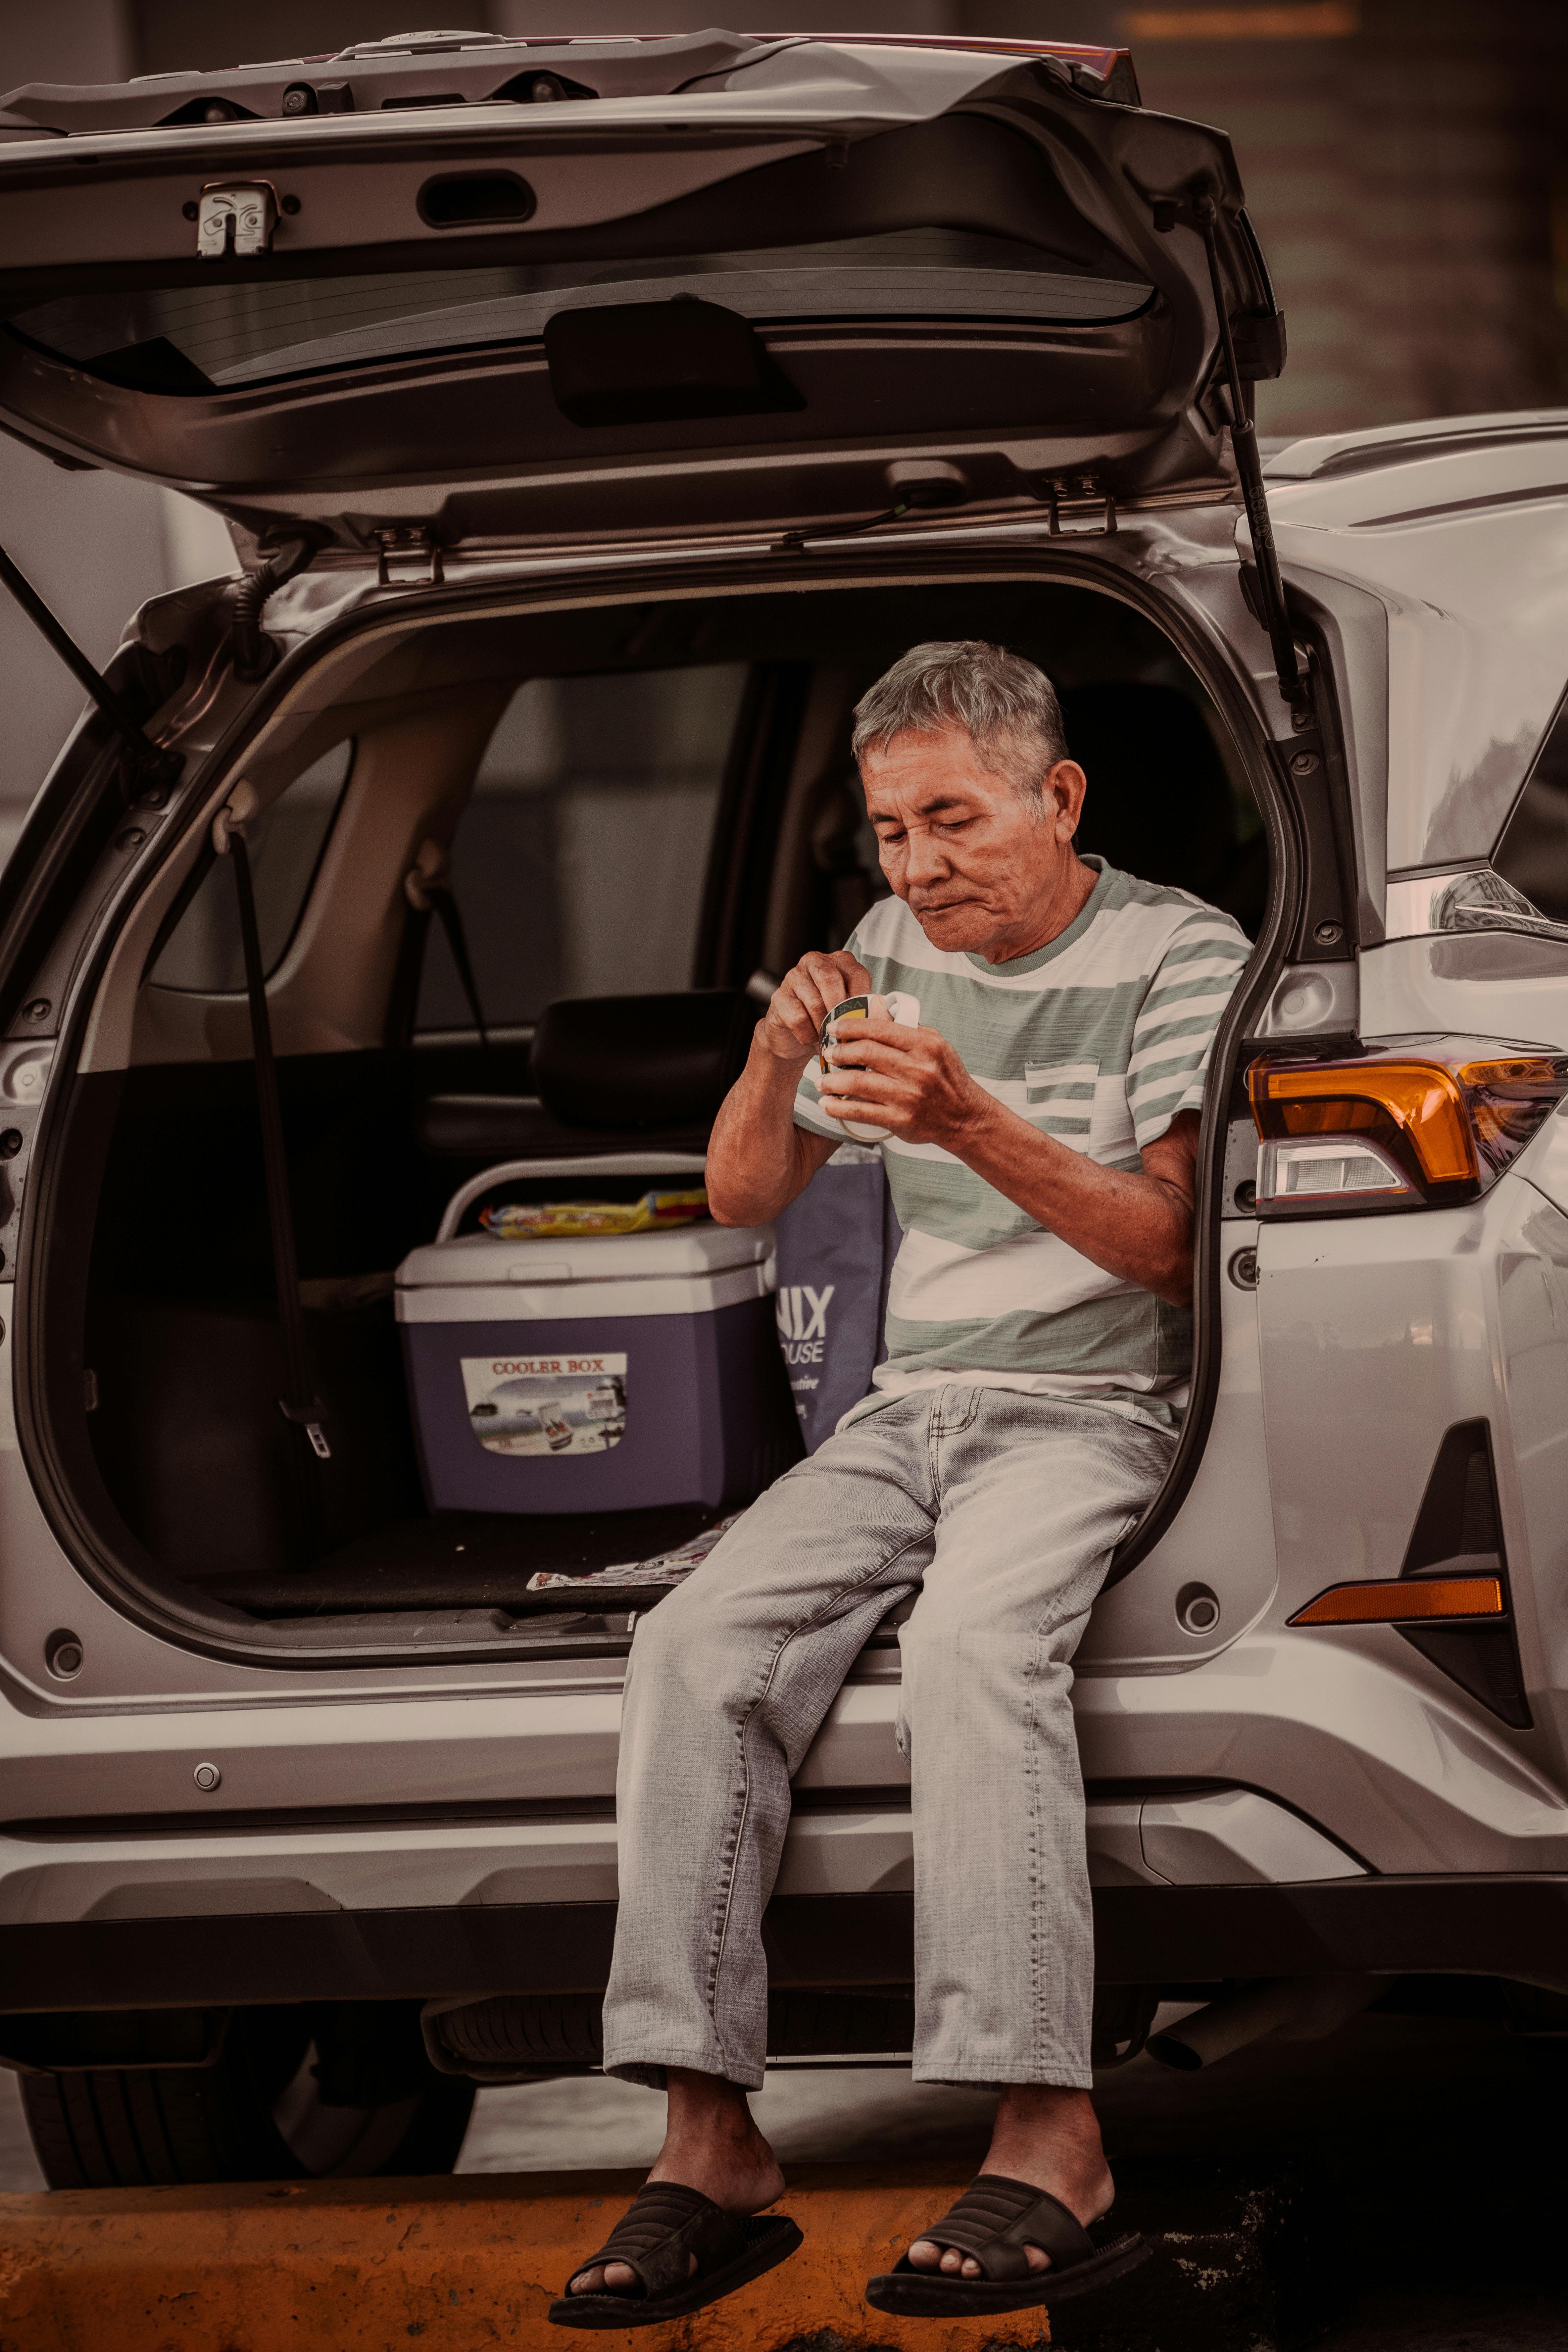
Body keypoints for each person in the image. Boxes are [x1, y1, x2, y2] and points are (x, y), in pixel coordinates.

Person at [551, 640, 1250, 2329]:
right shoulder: (886, 950)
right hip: (903, 1414)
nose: (917, 869)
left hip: (1088, 1410)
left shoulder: (1183, 951)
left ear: (1057, 796)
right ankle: (709, 2142)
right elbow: (739, 1200)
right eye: (886, 832)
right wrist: (777, 1061)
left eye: (951, 821)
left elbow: (1170, 1254)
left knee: (968, 1654)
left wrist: (970, 1121)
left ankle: (1048, 2134)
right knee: (695, 1649)